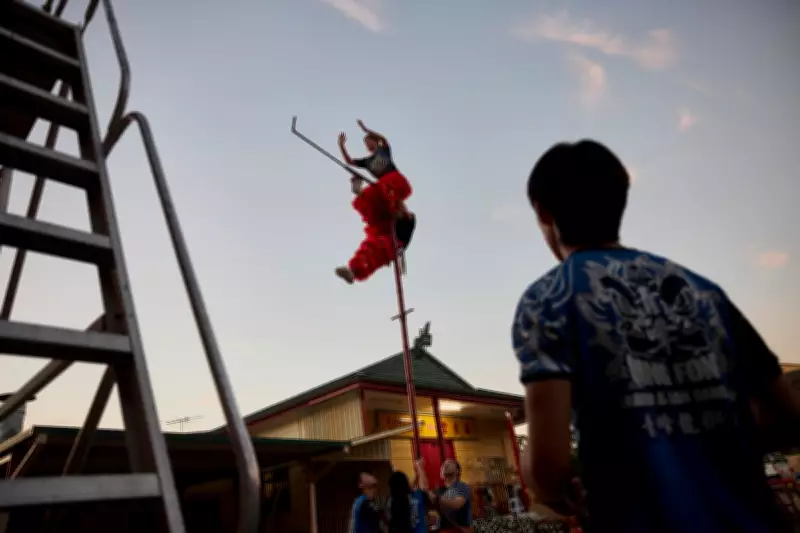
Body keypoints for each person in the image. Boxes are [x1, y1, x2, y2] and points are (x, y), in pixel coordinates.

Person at [510, 139, 800, 533]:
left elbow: (550, 471)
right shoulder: (704, 291)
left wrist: (542, 476)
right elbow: (788, 417)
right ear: (620, 201)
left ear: (543, 213)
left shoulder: (548, 299)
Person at [335, 120, 415, 284]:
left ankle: (374, 197)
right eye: (366, 144)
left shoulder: (383, 151)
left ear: (374, 141)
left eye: (369, 142)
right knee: (372, 244)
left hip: (393, 183)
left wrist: (366, 129)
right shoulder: (367, 161)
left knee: (385, 189)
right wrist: (341, 146)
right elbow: (350, 162)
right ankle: (353, 271)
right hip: (383, 197)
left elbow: (383, 139)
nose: (368, 146)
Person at [426, 459, 471, 532]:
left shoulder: (462, 486)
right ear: (441, 474)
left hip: (461, 530)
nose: (445, 465)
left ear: (457, 471)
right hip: (443, 530)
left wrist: (437, 499)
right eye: (443, 465)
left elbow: (457, 504)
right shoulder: (438, 490)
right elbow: (431, 508)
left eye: (450, 463)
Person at [386, 460, 428, 533]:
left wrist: (416, 474)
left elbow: (405, 488)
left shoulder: (390, 501)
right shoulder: (416, 498)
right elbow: (424, 488)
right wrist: (420, 468)